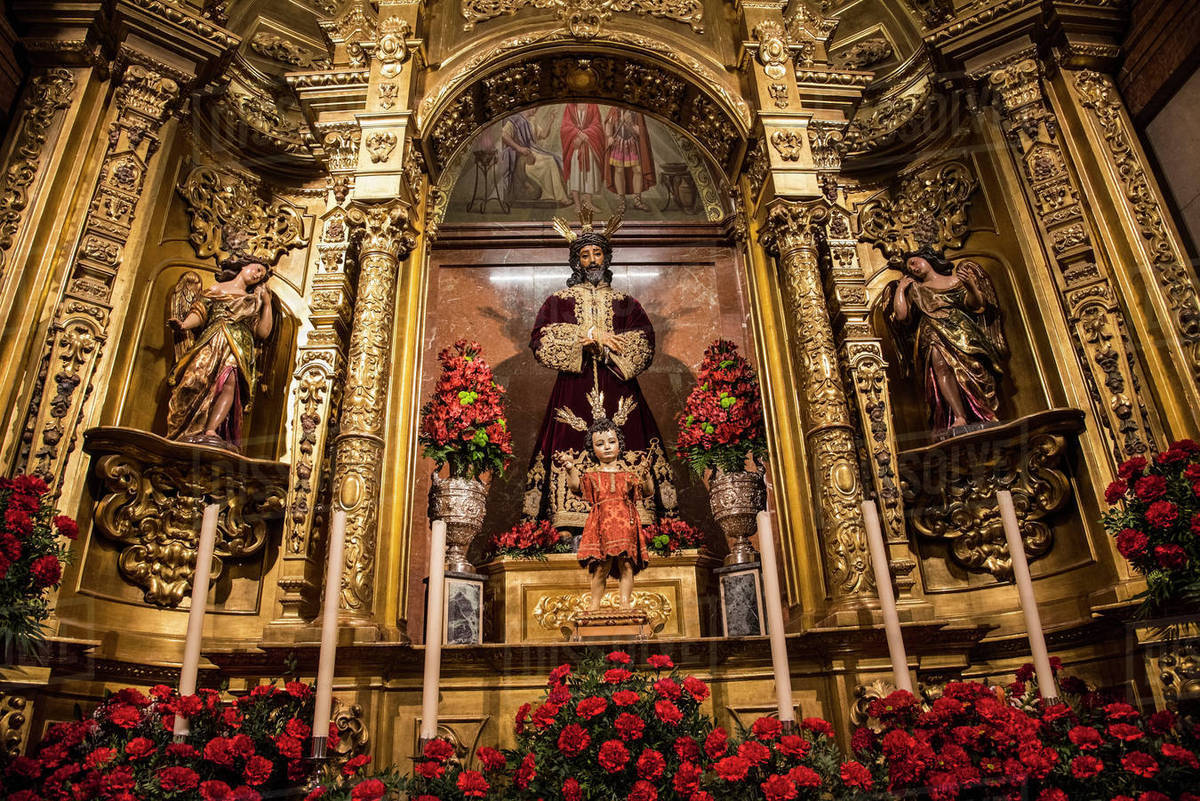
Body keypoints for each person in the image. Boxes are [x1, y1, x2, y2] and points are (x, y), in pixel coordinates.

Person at [523, 212, 677, 531]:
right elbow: (540, 338)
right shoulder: (558, 301)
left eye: (597, 254)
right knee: (565, 444)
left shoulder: (626, 303)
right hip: (573, 387)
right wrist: (586, 340)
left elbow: (645, 340)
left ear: (606, 259)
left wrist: (608, 348)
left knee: (636, 444)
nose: (592, 261)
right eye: (585, 255)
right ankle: (567, 523)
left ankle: (641, 519)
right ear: (576, 262)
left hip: (618, 385)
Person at [882, 246, 1008, 435]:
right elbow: (900, 316)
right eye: (909, 268)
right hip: (932, 333)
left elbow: (975, 304)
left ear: (927, 259)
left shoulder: (955, 280)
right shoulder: (915, 289)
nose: (913, 268)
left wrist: (971, 285)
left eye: (915, 262)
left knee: (975, 369)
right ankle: (959, 416)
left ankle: (984, 413)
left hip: (963, 332)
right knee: (941, 368)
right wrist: (900, 289)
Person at [165, 257, 275, 452]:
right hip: (213, 339)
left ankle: (210, 430)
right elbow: (200, 313)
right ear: (244, 266)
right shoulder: (217, 289)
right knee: (195, 379)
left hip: (239, 346)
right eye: (257, 269)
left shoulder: (253, 302)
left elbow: (263, 333)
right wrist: (183, 325)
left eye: (261, 275)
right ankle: (183, 431)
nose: (257, 275)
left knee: (230, 383)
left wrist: (267, 304)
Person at [558, 418, 653, 611]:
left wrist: (647, 474)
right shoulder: (591, 476)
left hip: (626, 524)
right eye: (600, 444)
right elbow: (576, 486)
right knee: (601, 567)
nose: (607, 447)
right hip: (601, 525)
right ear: (593, 449)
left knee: (626, 565)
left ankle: (625, 604)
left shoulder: (629, 475)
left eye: (611, 441)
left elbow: (647, 491)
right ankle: (594, 606)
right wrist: (569, 468)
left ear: (620, 444)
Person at [500, 110, 570, 205]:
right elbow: (504, 135)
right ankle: (555, 196)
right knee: (549, 161)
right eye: (534, 108)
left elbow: (543, 135)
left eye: (537, 109)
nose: (536, 110)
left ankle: (555, 195)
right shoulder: (515, 120)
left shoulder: (532, 120)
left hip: (532, 151)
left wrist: (551, 120)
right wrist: (519, 148)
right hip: (521, 156)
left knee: (552, 159)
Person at [603, 108, 656, 211]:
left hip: (632, 143)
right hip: (618, 143)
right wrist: (609, 137)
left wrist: (630, 124)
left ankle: (637, 201)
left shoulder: (635, 111)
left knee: (638, 170)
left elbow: (640, 131)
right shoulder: (614, 109)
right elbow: (608, 124)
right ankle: (622, 202)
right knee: (619, 170)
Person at [560, 103, 606, 214]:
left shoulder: (593, 106)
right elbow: (565, 126)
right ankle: (577, 204)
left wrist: (585, 134)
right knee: (575, 175)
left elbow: (597, 125)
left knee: (589, 175)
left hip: (589, 145)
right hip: (574, 146)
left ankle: (588, 203)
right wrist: (577, 134)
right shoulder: (570, 106)